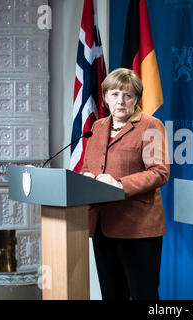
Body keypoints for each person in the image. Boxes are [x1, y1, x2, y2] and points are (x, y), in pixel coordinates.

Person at [81, 68, 169, 300]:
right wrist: (86, 178)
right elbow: (89, 167)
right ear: (105, 97)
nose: (120, 101)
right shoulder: (97, 127)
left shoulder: (150, 125)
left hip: (138, 228)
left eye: (127, 95)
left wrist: (119, 184)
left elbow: (159, 172)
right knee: (112, 295)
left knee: (144, 296)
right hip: (103, 226)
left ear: (136, 99)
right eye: (114, 94)